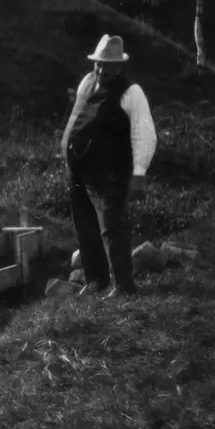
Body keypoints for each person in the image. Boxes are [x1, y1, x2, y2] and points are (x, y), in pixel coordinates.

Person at [59, 34, 157, 298]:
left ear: (119, 66)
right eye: (98, 63)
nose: (101, 69)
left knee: (112, 228)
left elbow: (144, 133)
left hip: (108, 172)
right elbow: (76, 116)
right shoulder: (88, 82)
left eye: (107, 65)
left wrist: (139, 173)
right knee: (85, 226)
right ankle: (96, 281)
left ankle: (124, 288)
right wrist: (65, 148)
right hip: (79, 170)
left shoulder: (131, 92)